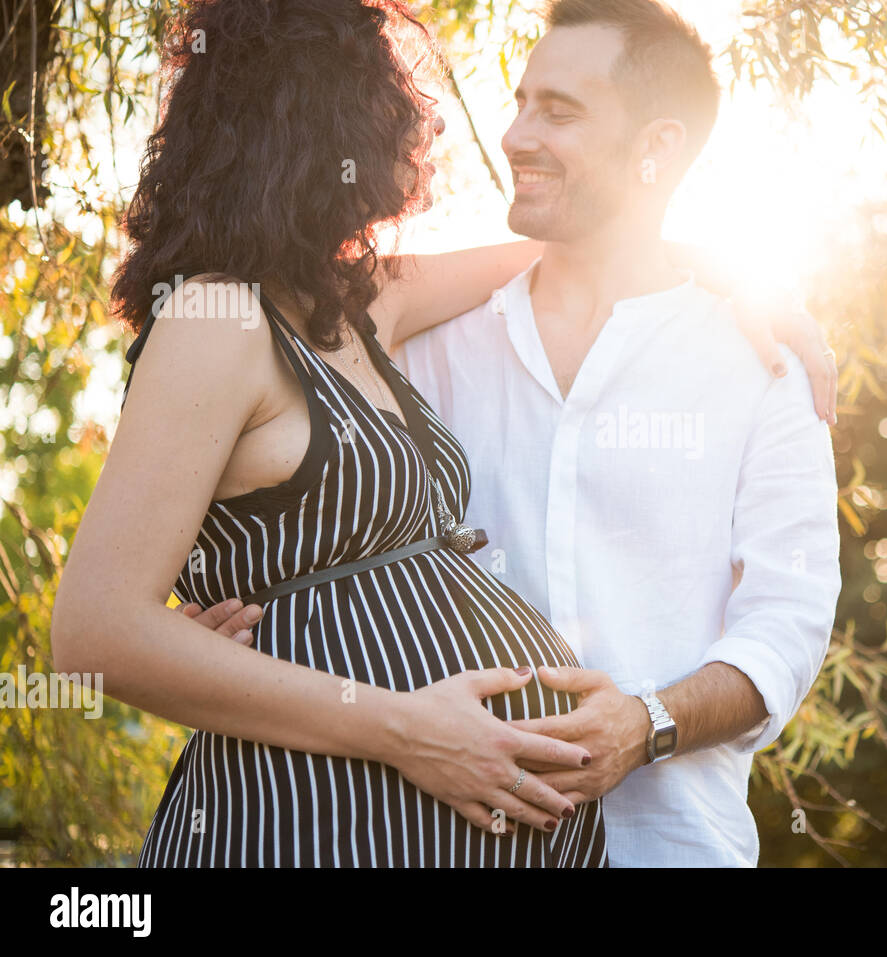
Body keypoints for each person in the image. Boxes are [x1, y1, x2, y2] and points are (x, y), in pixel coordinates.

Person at [52, 0, 829, 867]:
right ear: (317, 128)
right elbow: (97, 629)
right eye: (386, 102)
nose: (434, 131)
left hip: (581, 840)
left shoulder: (359, 310)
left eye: (557, 110)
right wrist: (402, 725)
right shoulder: (268, 320)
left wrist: (716, 266)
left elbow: (786, 628)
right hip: (307, 824)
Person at [394, 0, 842, 866]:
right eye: (520, 101)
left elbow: (785, 624)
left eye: (558, 111)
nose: (516, 133)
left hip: (671, 848)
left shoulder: (763, 365)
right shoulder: (427, 352)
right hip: (438, 842)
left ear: (657, 148)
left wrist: (647, 722)